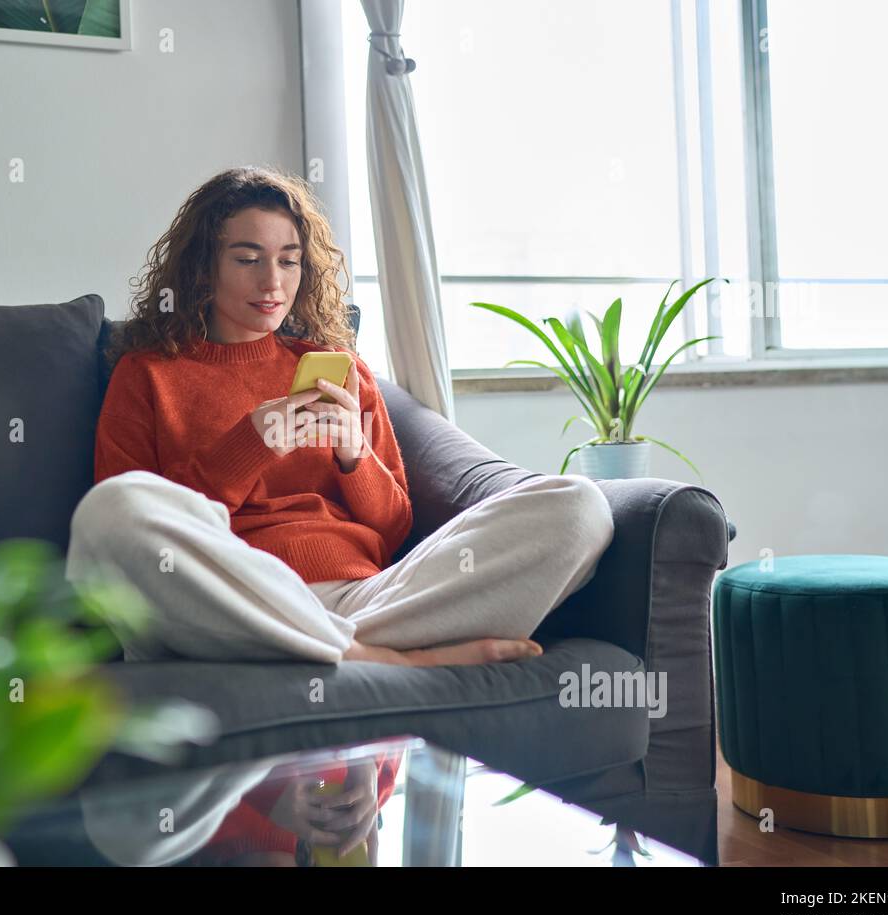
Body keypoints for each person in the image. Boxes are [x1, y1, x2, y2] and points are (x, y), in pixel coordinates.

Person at [66, 165, 614, 667]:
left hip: (369, 601)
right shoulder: (147, 374)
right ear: (203, 270)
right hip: (232, 597)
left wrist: (356, 454)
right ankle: (385, 658)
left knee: (579, 505)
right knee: (110, 510)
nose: (272, 283)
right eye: (247, 258)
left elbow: (395, 528)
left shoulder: (336, 369)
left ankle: (341, 647)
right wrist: (247, 446)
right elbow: (135, 524)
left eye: (289, 260)